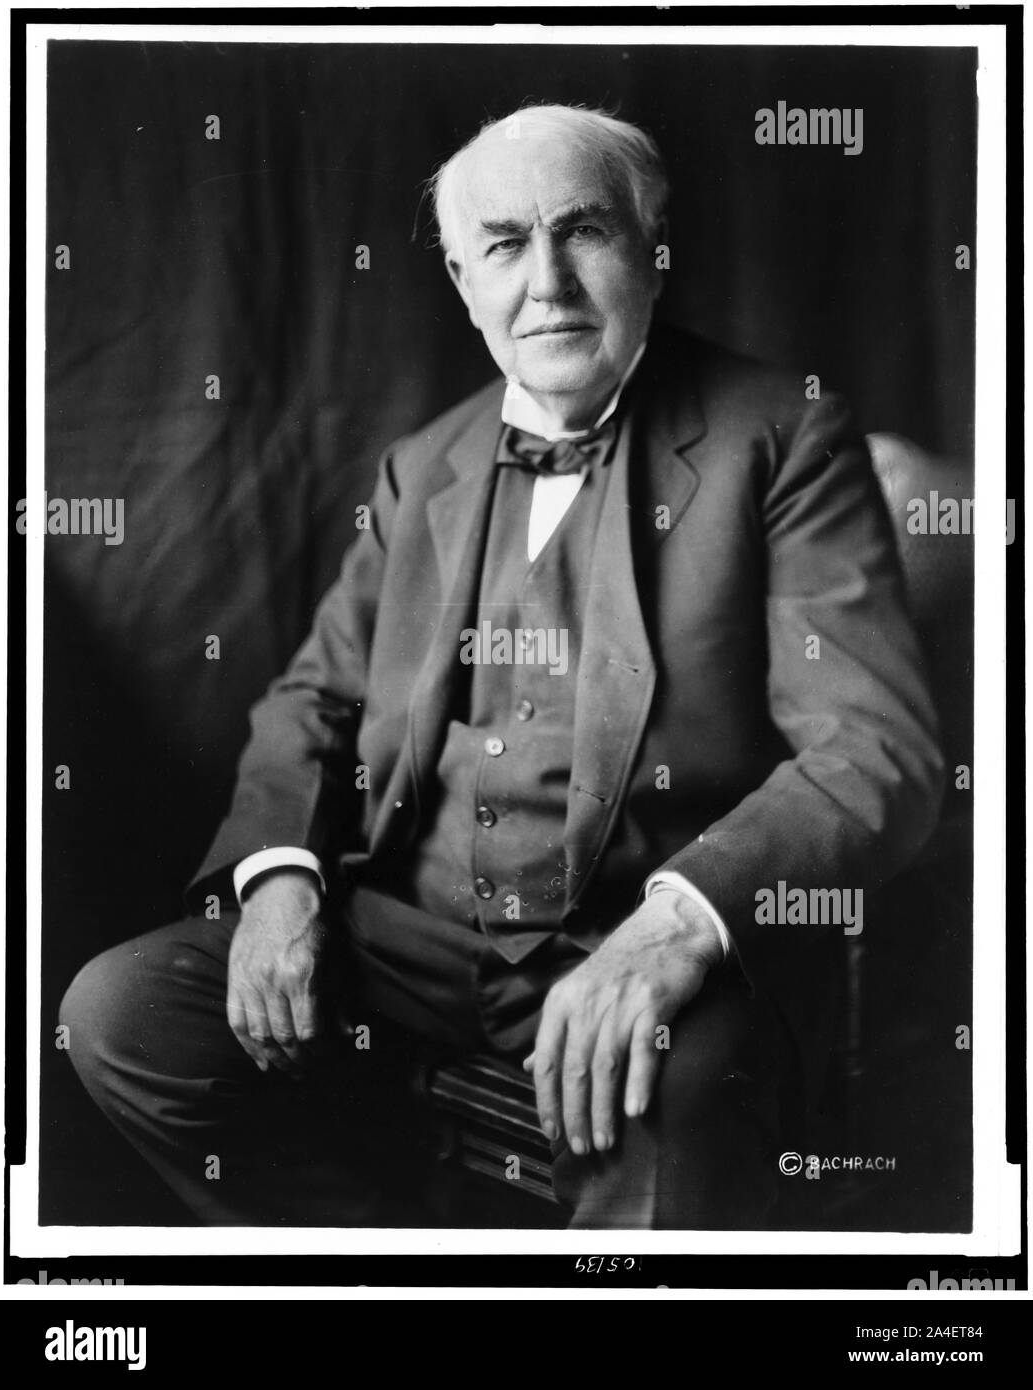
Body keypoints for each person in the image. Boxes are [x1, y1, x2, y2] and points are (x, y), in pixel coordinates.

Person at [61, 104, 944, 1228]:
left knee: (671, 1093)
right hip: (403, 941)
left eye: (583, 231)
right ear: (464, 284)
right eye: (505, 246)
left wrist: (674, 927)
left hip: (642, 931)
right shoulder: (419, 463)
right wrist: (280, 881)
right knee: (121, 1012)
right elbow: (314, 700)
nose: (548, 283)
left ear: (651, 246)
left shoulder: (785, 435)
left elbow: (879, 751)